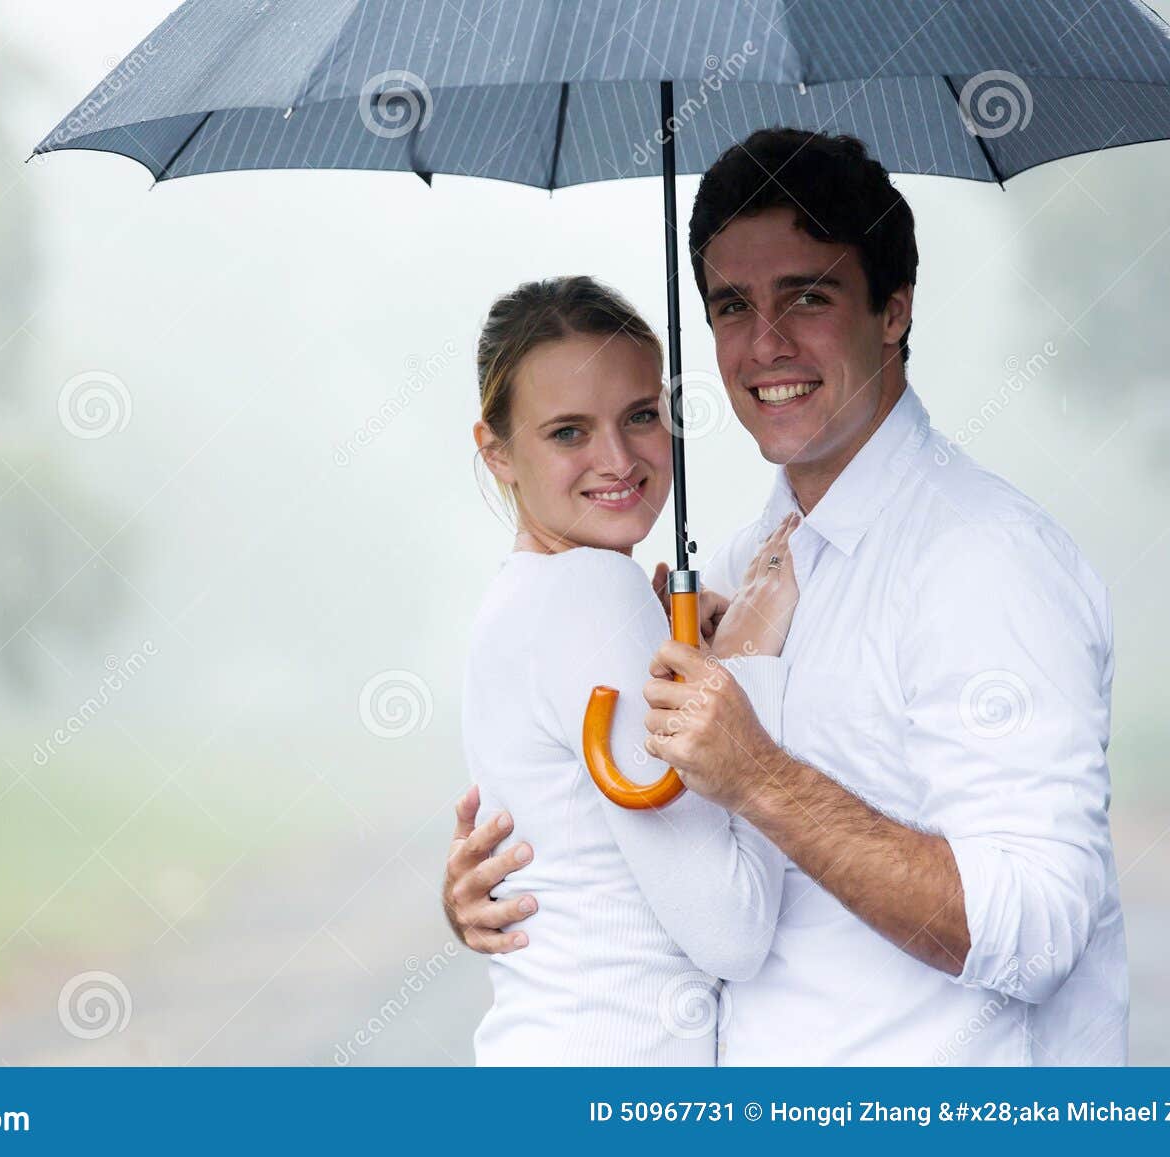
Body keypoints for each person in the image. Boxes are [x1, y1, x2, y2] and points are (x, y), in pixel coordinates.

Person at [446, 131, 1128, 1066]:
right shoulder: (737, 567)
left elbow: (1042, 931)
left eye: (807, 296)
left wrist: (762, 777)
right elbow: (651, 877)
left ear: (893, 311)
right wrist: (532, 894)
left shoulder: (985, 561)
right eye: (732, 304)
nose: (766, 345)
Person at [458, 274, 801, 1065]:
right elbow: (734, 932)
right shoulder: (592, 590)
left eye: (642, 416)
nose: (618, 458)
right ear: (498, 451)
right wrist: (746, 663)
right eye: (569, 432)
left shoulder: (519, 596)